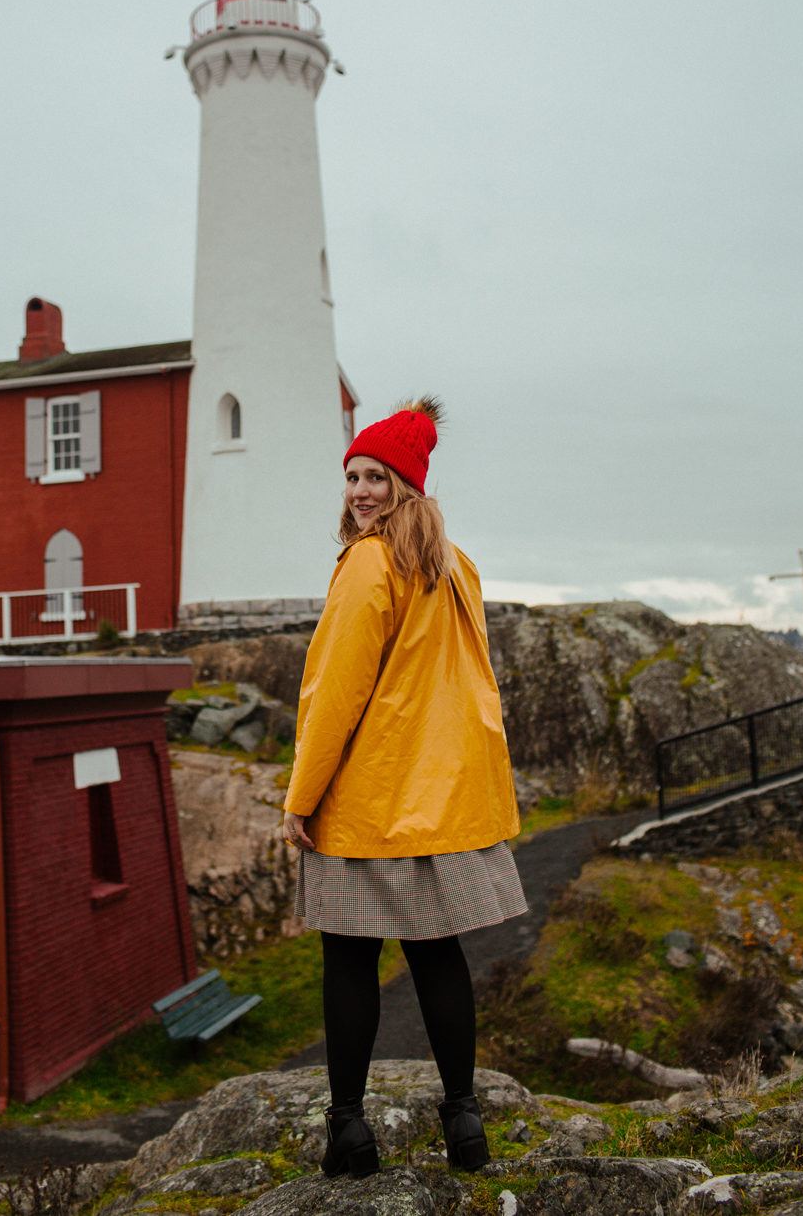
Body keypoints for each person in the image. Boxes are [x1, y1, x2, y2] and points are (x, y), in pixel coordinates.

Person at [281, 396, 527, 1180]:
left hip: (370, 798)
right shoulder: (456, 566)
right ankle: (465, 1121)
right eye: (351, 475)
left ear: (405, 484)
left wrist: (301, 796)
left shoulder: (368, 563)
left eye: (374, 476)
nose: (357, 490)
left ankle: (349, 1130)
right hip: (443, 798)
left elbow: (335, 692)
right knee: (437, 957)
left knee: (349, 963)